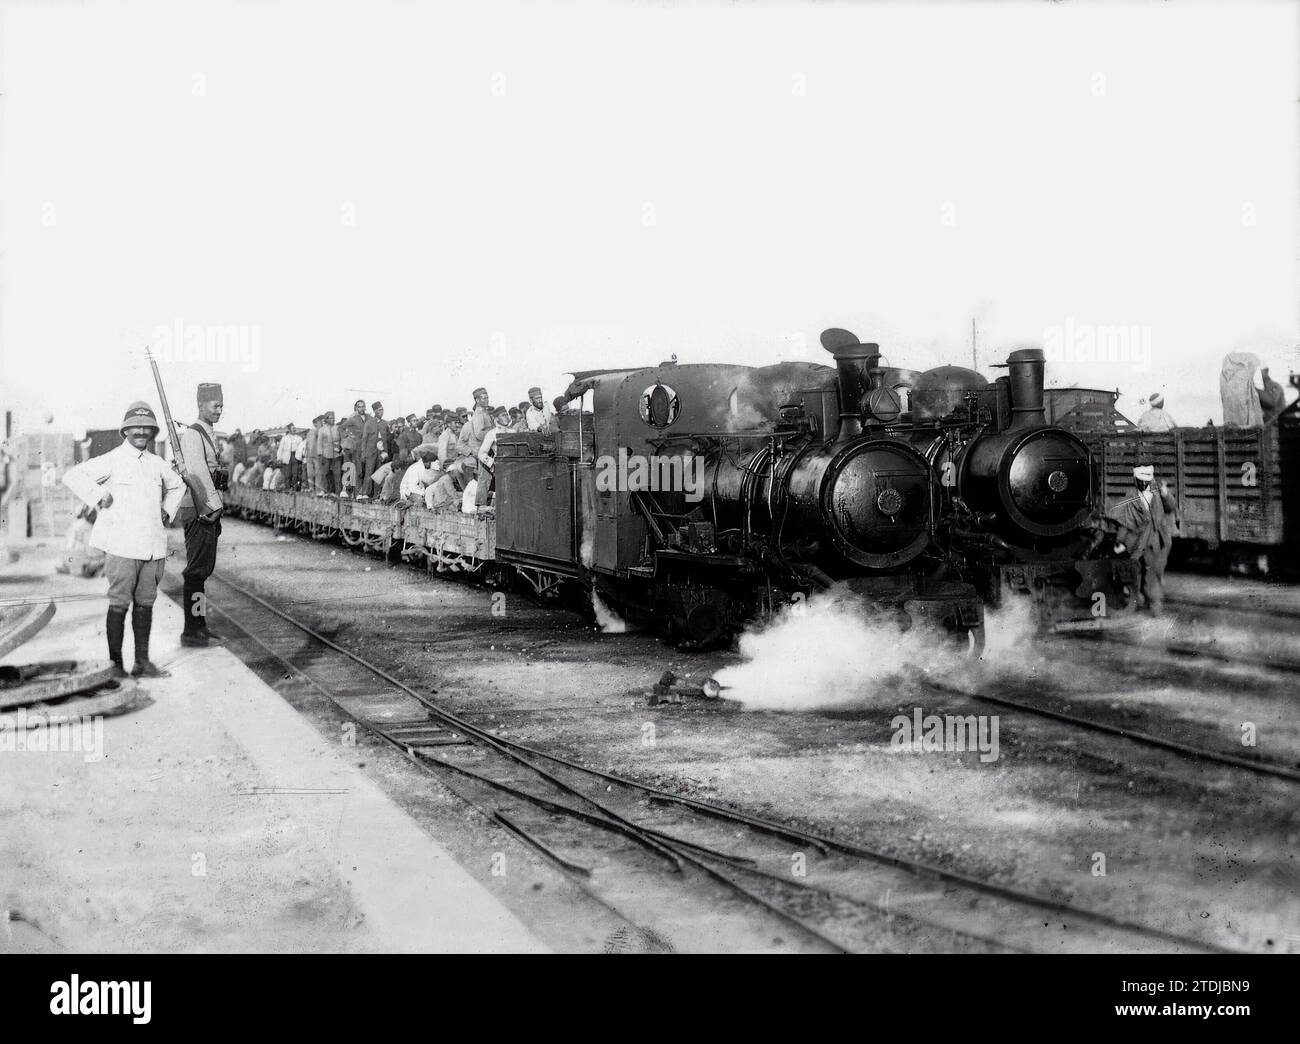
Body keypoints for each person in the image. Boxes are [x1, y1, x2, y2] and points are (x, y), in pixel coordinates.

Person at [62, 401, 185, 676]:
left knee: (145, 604)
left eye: (147, 427)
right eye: (135, 427)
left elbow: (178, 485)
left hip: (152, 549)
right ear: (125, 431)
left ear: (153, 432)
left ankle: (142, 662)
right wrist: (98, 496)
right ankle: (115, 667)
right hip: (121, 547)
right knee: (119, 604)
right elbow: (72, 475)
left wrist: (166, 511)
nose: (141, 431)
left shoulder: (157, 464)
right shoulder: (112, 460)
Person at [177, 382, 227, 648]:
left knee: (202, 571)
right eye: (214, 405)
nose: (219, 410)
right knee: (196, 571)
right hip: (200, 507)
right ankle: (191, 631)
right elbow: (197, 473)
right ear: (201, 405)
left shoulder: (207, 432)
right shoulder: (194, 435)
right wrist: (215, 506)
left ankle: (199, 626)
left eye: (221, 405)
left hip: (205, 506)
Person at [1108, 463, 1178, 615]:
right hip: (1136, 541)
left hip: (1155, 540)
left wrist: (1166, 493)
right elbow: (1124, 523)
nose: (1144, 484)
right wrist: (1120, 542)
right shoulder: (1130, 496)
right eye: (1141, 480)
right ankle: (1135, 601)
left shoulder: (1159, 492)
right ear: (1136, 480)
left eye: (1147, 480)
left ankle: (1155, 605)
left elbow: (1171, 507)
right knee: (1134, 573)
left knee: (1154, 573)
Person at [476, 406, 511, 507]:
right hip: (501, 468)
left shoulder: (512, 432)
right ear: (496, 419)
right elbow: (481, 453)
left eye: (507, 415)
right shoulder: (492, 434)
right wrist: (493, 464)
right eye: (503, 415)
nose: (507, 417)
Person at [358, 401, 389, 499]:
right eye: (379, 410)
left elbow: (386, 440)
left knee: (379, 474)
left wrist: (386, 452)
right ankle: (364, 493)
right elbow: (364, 439)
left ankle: (376, 495)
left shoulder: (385, 424)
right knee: (369, 472)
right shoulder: (369, 423)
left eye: (382, 410)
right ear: (375, 411)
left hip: (381, 453)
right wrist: (363, 454)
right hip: (370, 452)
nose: (382, 412)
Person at [339, 399, 367, 492]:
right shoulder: (353, 417)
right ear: (356, 408)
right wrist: (348, 436)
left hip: (360, 447)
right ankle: (345, 490)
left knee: (358, 470)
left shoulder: (366, 418)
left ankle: (355, 491)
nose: (362, 408)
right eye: (359, 407)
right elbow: (341, 428)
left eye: (363, 406)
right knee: (349, 468)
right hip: (351, 447)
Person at [319, 410, 342, 495]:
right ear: (326, 419)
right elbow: (319, 443)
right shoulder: (322, 430)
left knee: (337, 474)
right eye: (331, 418)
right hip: (326, 454)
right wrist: (320, 454)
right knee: (325, 473)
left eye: (334, 418)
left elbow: (342, 440)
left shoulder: (337, 428)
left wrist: (340, 447)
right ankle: (325, 490)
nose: (333, 419)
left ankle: (338, 492)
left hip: (336, 454)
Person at [277, 423, 304, 490]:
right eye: (292, 428)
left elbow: (302, 448)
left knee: (295, 474)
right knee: (288, 475)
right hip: (287, 457)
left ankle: (294, 489)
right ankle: (288, 489)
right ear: (289, 430)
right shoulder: (285, 438)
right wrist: (279, 458)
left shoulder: (299, 438)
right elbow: (280, 449)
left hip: (296, 456)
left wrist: (301, 456)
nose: (294, 429)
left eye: (294, 428)